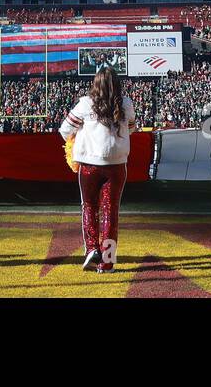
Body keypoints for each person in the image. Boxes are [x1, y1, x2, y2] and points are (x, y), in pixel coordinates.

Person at [60, 66, 135, 273]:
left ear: (95, 83)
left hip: (89, 166)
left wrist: (77, 141)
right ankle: (107, 261)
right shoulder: (126, 103)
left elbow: (65, 129)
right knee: (111, 212)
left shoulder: (86, 103)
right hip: (117, 165)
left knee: (89, 207)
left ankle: (92, 248)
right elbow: (131, 128)